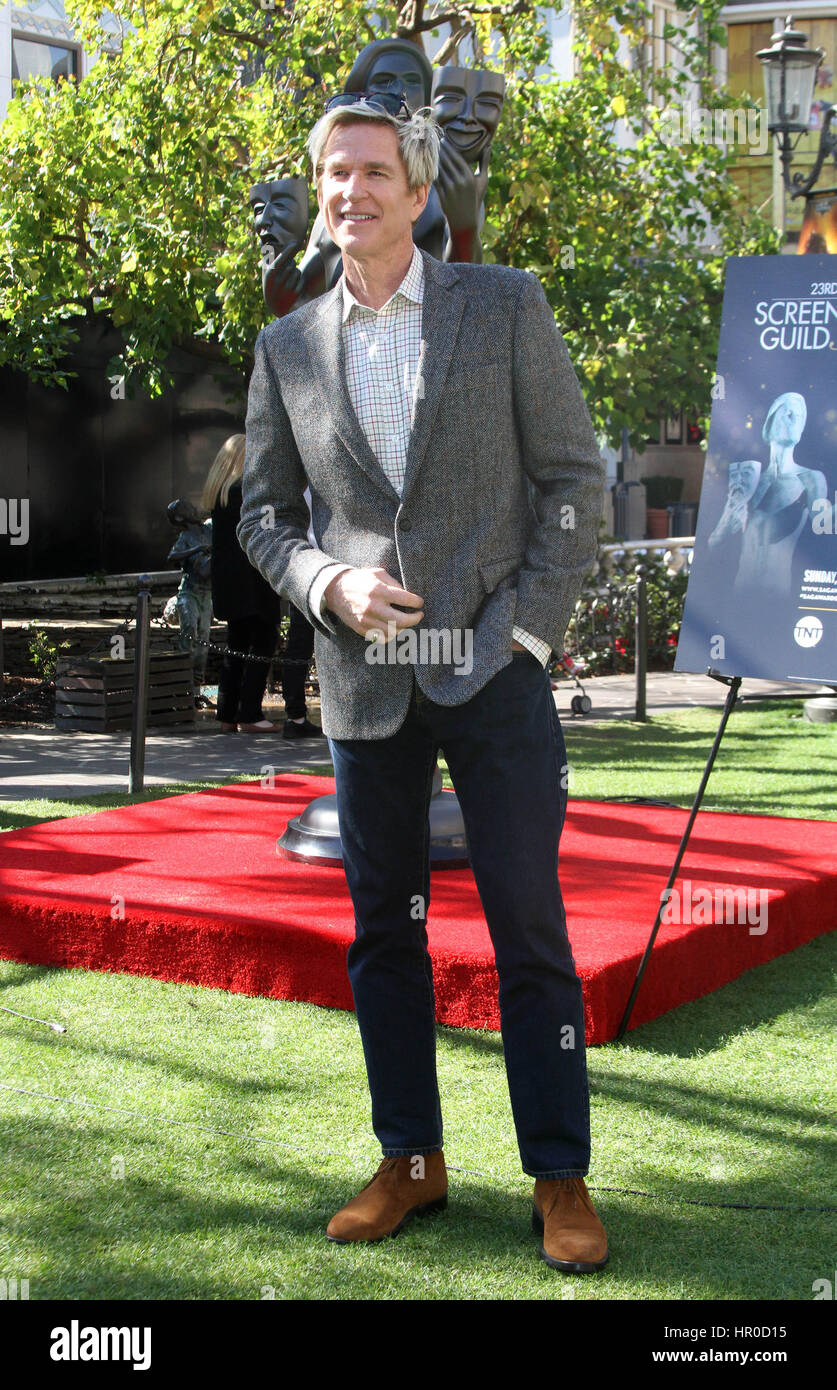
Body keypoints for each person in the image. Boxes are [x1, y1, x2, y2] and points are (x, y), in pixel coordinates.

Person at [237, 93, 608, 1272]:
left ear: (417, 186)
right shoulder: (288, 343)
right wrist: (325, 587)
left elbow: (573, 484)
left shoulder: (504, 306)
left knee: (529, 931)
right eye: (335, 174)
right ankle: (410, 1160)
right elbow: (261, 517)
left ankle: (558, 1173)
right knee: (383, 937)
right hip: (363, 684)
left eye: (374, 172)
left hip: (492, 677)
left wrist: (528, 635)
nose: (351, 192)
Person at [201, 434, 282, 734]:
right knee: (261, 643)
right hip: (254, 582)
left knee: (235, 647)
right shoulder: (247, 493)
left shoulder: (221, 495)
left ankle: (227, 713)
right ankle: (249, 712)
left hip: (230, 584)